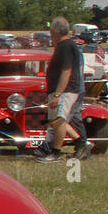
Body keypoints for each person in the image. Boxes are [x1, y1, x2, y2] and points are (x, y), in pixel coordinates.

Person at [33, 18, 82, 162]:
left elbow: (66, 71)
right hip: (62, 89)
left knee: (58, 120)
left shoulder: (66, 46)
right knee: (55, 120)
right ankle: (81, 143)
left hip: (64, 90)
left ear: (54, 32)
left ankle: (55, 153)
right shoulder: (64, 46)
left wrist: (57, 94)